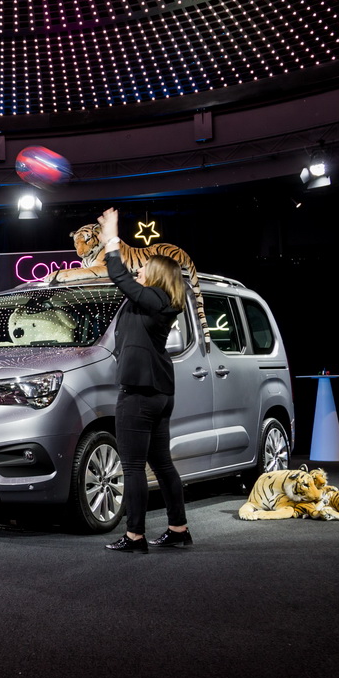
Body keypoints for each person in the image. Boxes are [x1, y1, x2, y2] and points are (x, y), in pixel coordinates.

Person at [97, 208, 194, 553]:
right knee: (162, 464)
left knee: (134, 467)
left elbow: (121, 277)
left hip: (140, 394)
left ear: (156, 277)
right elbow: (126, 288)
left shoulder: (157, 300)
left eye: (144, 268)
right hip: (158, 392)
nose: (138, 269)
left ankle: (135, 535)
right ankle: (178, 528)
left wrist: (111, 236)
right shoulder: (154, 302)